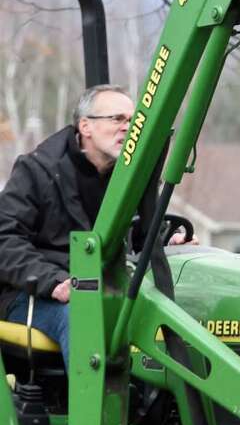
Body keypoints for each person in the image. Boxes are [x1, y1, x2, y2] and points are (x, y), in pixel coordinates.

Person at [0, 85, 139, 365]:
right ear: (85, 126)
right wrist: (53, 282)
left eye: (133, 121)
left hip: (108, 292)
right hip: (35, 294)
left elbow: (139, 234)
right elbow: (5, 239)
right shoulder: (37, 170)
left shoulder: (130, 179)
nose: (128, 128)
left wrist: (166, 241)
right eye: (117, 119)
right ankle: (94, 406)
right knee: (81, 316)